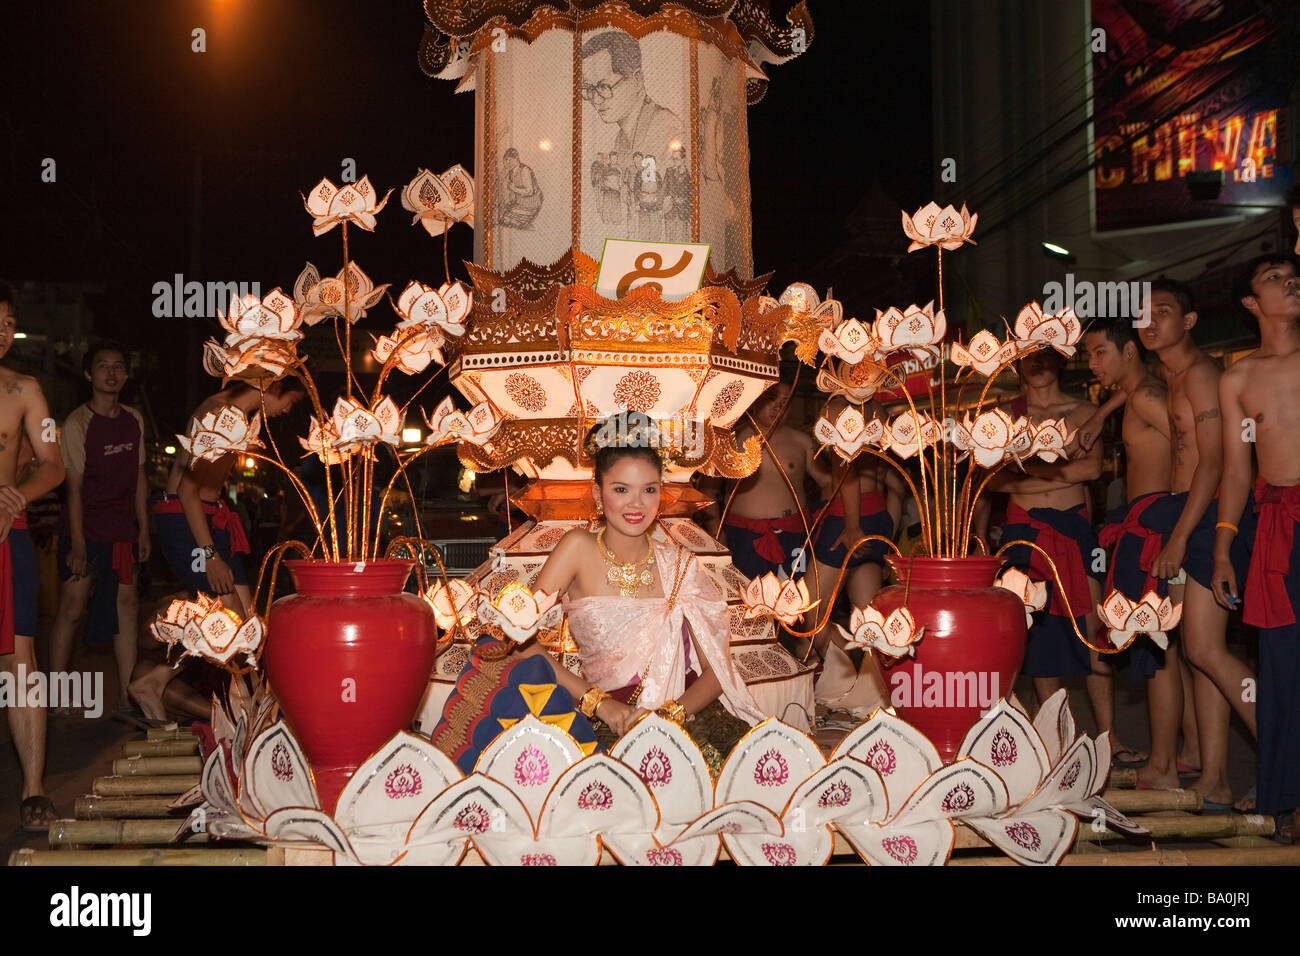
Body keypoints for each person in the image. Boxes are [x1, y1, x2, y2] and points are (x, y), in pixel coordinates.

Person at [434, 412, 765, 775]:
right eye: (621, 489)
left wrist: (670, 716)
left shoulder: (682, 565)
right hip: (605, 719)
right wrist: (600, 704)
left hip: (686, 720)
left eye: (649, 490)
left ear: (662, 495)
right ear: (598, 492)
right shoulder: (577, 548)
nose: (636, 504)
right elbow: (519, 639)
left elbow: (716, 671)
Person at [1137, 278, 1256, 810]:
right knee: (1194, 652)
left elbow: (1215, 460)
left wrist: (1181, 537)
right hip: (1187, 514)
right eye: (1143, 314)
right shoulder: (1170, 377)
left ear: (1188, 322)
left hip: (1208, 519)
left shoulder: (1204, 375)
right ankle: (1215, 779)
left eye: (1163, 312)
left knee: (1206, 648)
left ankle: (1286, 754)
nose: (1150, 322)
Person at [132, 377, 304, 719]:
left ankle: (255, 709)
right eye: (290, 402)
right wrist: (210, 555)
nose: (286, 410)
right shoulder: (223, 415)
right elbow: (186, 490)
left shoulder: (237, 414)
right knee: (230, 625)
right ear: (271, 386)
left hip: (211, 519)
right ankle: (153, 680)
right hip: (188, 522)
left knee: (248, 627)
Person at [983, 349, 1116, 735]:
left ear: (1059, 361)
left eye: (1045, 356)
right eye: (1029, 357)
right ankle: (1053, 737)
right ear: (1018, 364)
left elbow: (1091, 468)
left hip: (1072, 529)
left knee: (1095, 634)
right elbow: (994, 480)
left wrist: (1028, 472)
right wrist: (1060, 471)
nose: (1038, 364)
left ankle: (1110, 738)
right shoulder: (1006, 415)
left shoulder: (1080, 412)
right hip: (1022, 531)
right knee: (1037, 635)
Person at [1085, 319, 1192, 789]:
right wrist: (1099, 412)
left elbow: (1196, 451)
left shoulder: (1148, 396)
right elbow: (1134, 393)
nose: (1092, 364)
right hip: (1147, 521)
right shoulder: (1137, 393)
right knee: (1168, 650)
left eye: (1100, 353)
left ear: (1129, 351)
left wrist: (1178, 522)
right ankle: (1183, 752)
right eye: (1088, 356)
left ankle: (1164, 767)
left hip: (1156, 526)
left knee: (1156, 646)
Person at [1214, 254, 1300, 835]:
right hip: (1279, 534)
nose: (1291, 283)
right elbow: (1237, 474)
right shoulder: (1237, 379)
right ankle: (1289, 798)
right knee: (1283, 670)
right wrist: (1223, 549)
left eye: (1295, 276)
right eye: (1274, 278)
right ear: (1251, 303)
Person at [48, 343, 149, 714]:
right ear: (89, 375)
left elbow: (139, 477)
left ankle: (129, 694)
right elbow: (72, 489)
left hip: (122, 531)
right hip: (85, 531)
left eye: (118, 366)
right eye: (103, 366)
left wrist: (143, 530)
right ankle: (56, 694)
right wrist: (77, 544)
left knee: (127, 607)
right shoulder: (78, 423)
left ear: (125, 374)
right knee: (72, 608)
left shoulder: (134, 419)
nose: (111, 372)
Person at [0, 281, 67, 830]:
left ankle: (34, 790)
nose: (3, 332)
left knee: (19, 663)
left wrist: (18, 493)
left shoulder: (24, 389)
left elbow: (53, 463)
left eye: (8, 322)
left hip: (7, 534)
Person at [715, 378, 828, 583]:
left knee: (793, 601)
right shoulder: (730, 438)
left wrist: (825, 526)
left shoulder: (801, 442)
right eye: (772, 398)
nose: (778, 406)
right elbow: (709, 491)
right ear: (756, 400)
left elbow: (828, 482)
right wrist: (717, 533)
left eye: (785, 401)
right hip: (743, 536)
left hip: (794, 535)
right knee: (745, 602)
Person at [581, 30, 684, 195]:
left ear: (637, 80)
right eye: (589, 89)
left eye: (603, 87)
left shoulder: (667, 130)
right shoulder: (622, 138)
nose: (596, 100)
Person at [499, 148, 543, 230]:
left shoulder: (524, 170)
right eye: (506, 161)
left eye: (509, 160)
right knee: (504, 219)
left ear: (516, 158)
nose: (507, 163)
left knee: (509, 221)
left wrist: (514, 189)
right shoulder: (511, 172)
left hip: (531, 203)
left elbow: (529, 191)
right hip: (521, 202)